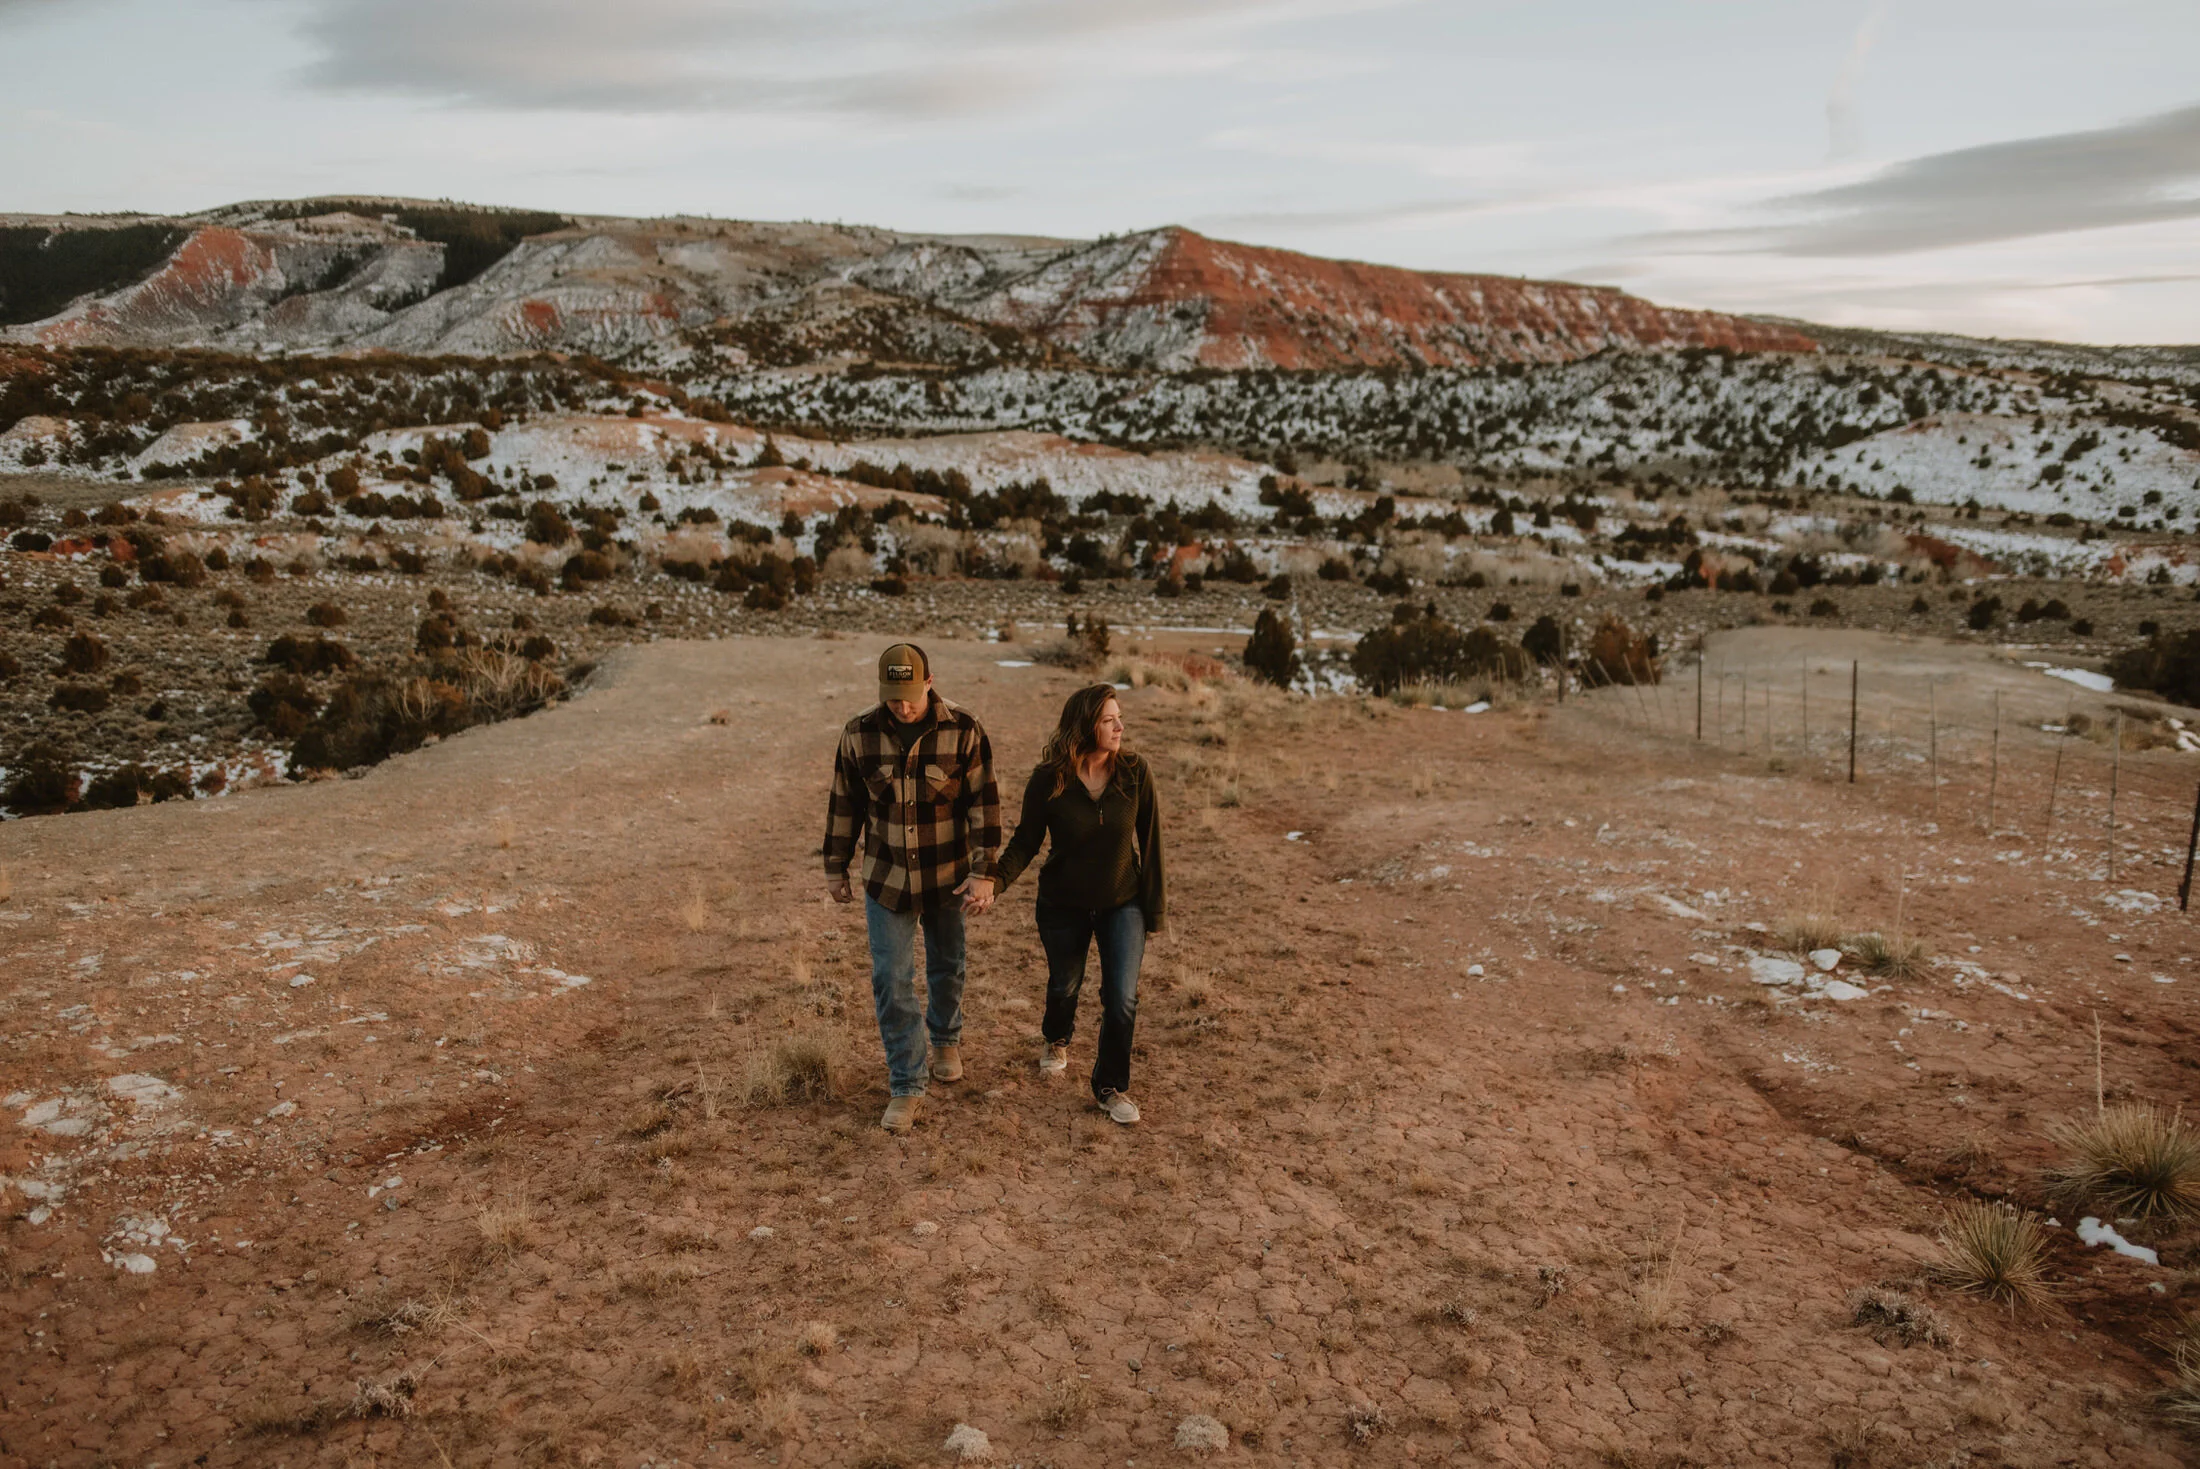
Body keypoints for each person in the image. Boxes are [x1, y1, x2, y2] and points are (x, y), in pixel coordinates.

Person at [823, 643, 1000, 1134]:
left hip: (948, 875)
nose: (902, 707)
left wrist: (986, 871)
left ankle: (945, 1038)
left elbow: (984, 806)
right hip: (887, 877)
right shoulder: (859, 733)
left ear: (929, 681)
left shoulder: (964, 730)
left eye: (910, 696)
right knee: (891, 979)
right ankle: (906, 1082)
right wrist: (835, 866)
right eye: (892, 697)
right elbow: (844, 803)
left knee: (947, 964)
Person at [974, 683, 1166, 1125]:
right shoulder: (1049, 778)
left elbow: (1151, 843)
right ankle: (1056, 1038)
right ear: (1085, 725)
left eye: (1119, 718)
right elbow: (1026, 842)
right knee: (1065, 985)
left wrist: (1154, 910)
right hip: (1063, 903)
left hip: (1123, 901)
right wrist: (993, 883)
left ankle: (1110, 1087)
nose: (1120, 727)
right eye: (1108, 720)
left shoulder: (1136, 771)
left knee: (1121, 998)